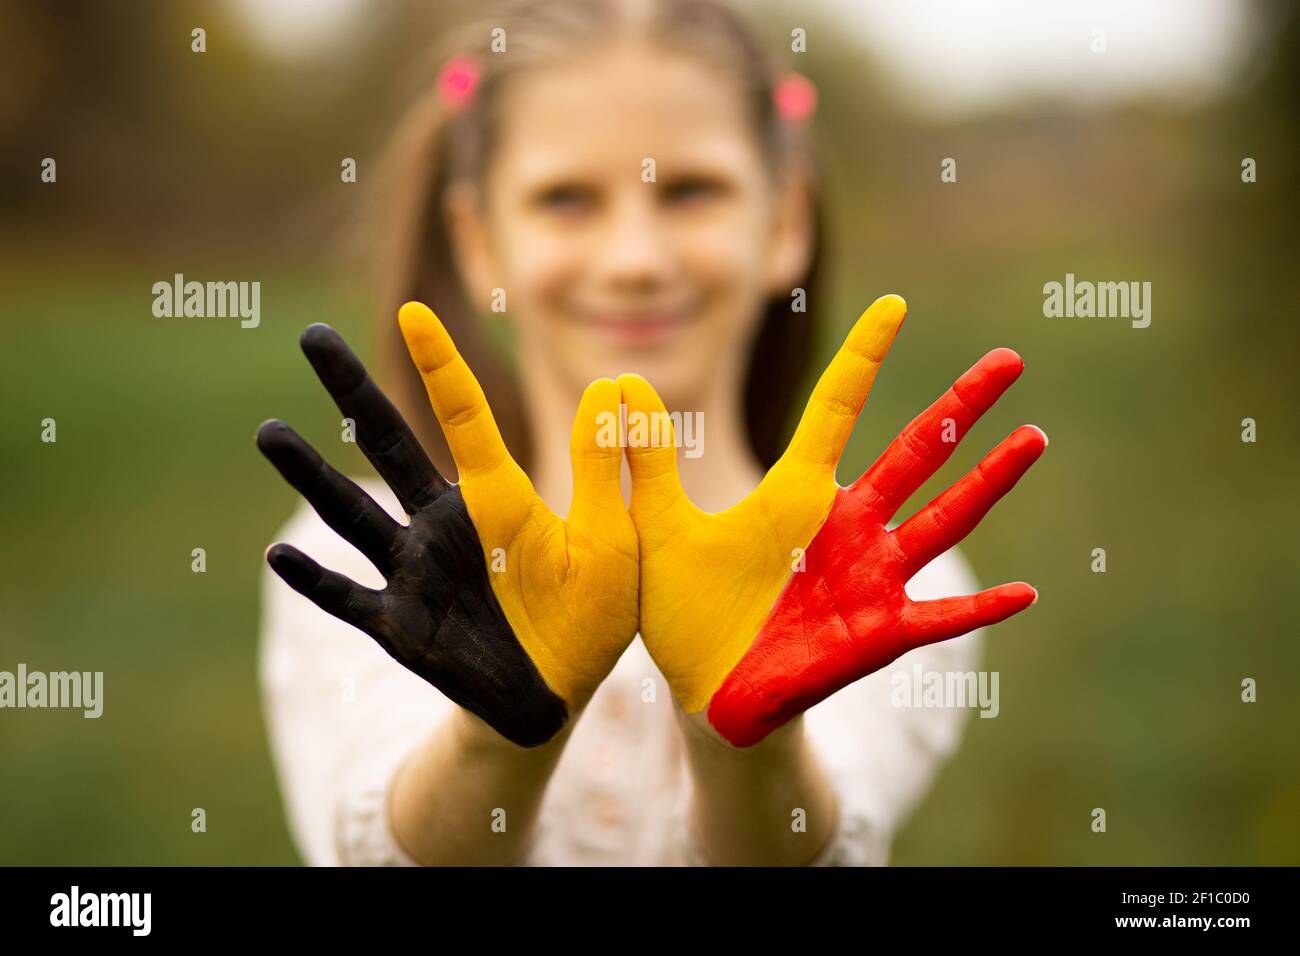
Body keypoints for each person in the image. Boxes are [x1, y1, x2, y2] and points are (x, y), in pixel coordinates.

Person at [256, 0, 1045, 866]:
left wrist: (744, 723)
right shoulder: (371, 553)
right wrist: (497, 731)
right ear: (480, 244)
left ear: (784, 222)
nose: (634, 259)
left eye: (690, 191)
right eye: (566, 199)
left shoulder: (875, 571)